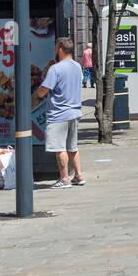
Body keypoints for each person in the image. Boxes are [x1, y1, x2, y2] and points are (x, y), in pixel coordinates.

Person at [33, 36, 86, 188]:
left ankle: (64, 179)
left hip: (58, 114)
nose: (55, 51)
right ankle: (79, 175)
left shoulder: (55, 69)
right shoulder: (77, 66)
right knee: (72, 147)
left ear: (60, 49)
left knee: (59, 148)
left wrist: (38, 92)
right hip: (74, 112)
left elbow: (43, 91)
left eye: (56, 48)